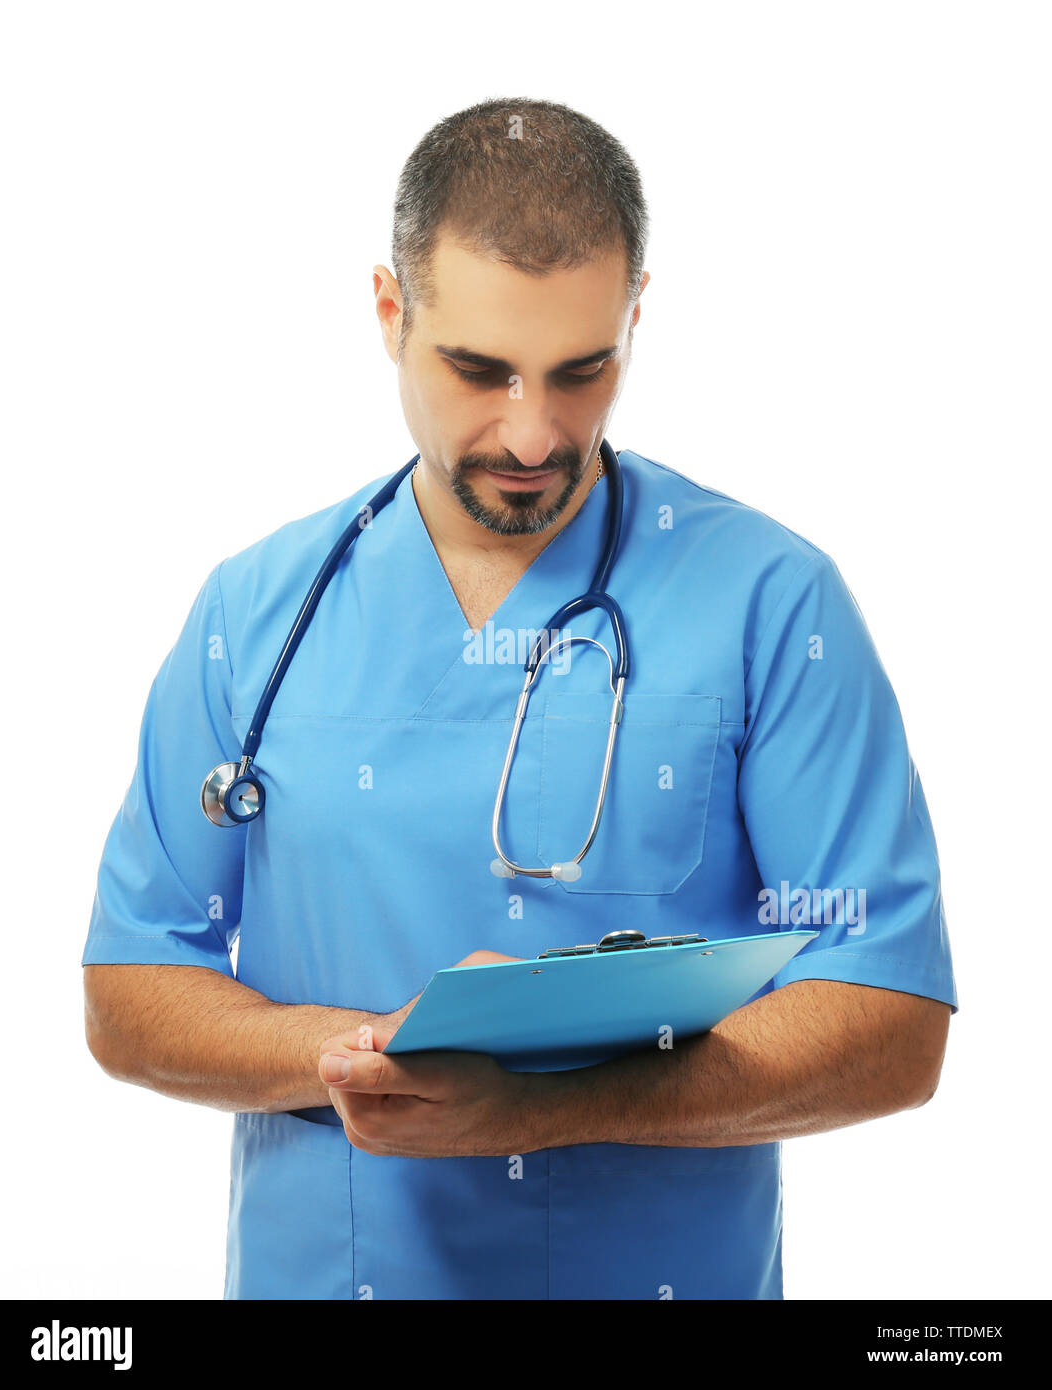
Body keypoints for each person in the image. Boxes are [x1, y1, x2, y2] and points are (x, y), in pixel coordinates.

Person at [82, 97, 956, 1301]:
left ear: (634, 318)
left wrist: (547, 1098)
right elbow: (132, 989)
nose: (534, 433)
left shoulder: (772, 603)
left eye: (582, 370)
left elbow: (890, 1014)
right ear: (391, 314)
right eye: (478, 370)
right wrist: (384, 1056)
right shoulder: (257, 612)